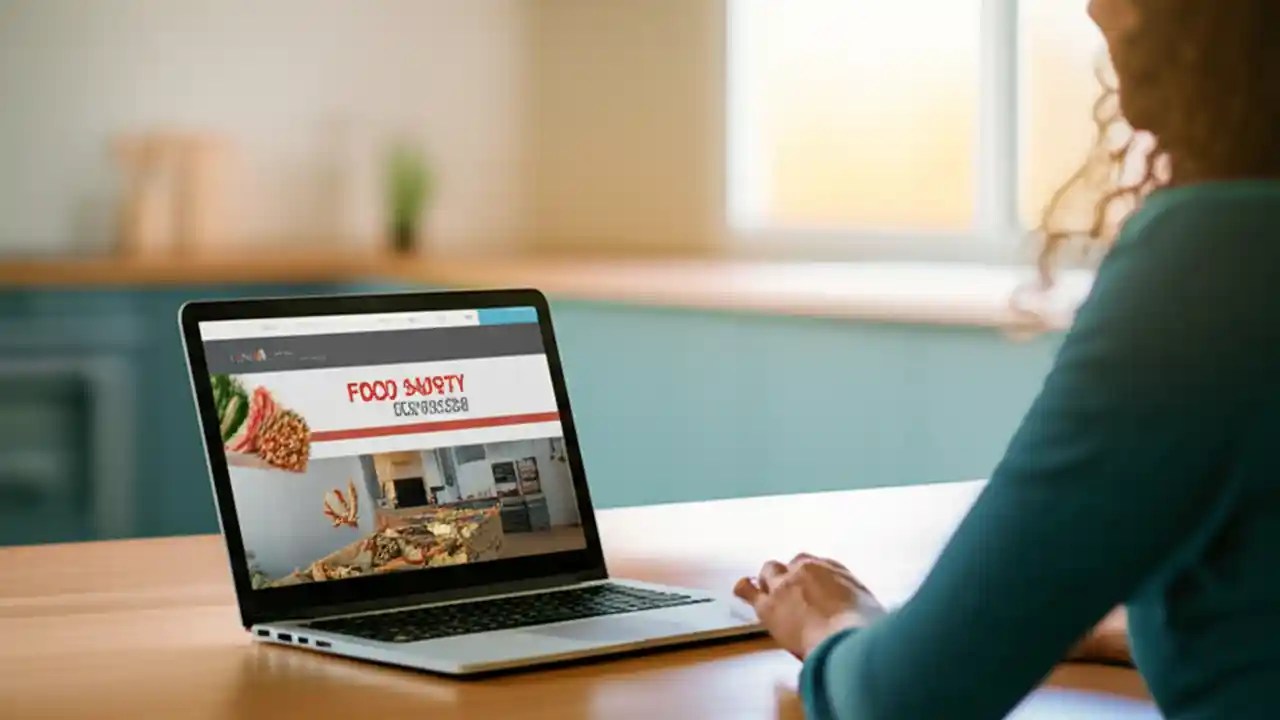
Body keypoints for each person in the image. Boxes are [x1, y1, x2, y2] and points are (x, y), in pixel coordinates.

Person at [733, 1, 1280, 717]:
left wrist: (830, 624)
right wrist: (1071, 618)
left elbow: (909, 699)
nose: (1095, 6)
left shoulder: (1219, 263)